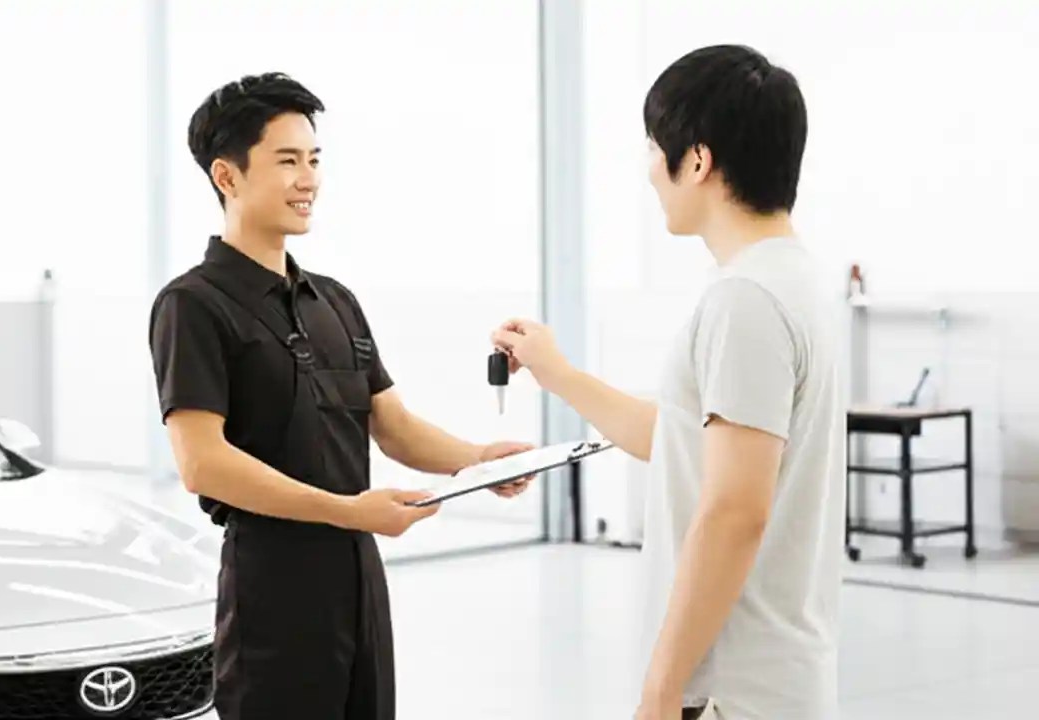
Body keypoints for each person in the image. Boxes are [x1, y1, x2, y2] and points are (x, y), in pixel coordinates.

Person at [149, 72, 535, 720]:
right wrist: (349, 509)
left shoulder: (335, 301)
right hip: (271, 584)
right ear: (227, 176)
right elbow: (202, 464)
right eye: (287, 161)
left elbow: (393, 426)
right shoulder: (193, 306)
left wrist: (476, 461)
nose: (309, 179)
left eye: (315, 160)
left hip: (358, 578)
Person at [491, 45, 843, 720]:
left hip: (730, 691)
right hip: (771, 679)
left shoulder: (746, 300)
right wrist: (558, 373)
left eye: (655, 149)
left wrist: (662, 685)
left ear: (699, 160)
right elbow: (687, 442)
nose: (651, 171)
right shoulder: (792, 281)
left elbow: (736, 508)